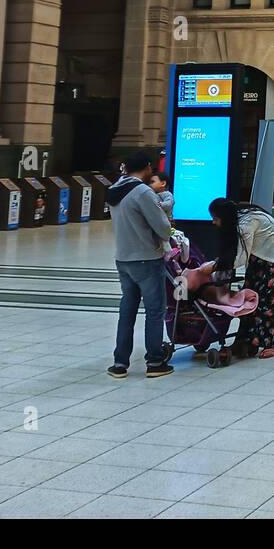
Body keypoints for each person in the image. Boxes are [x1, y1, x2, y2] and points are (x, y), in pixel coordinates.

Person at [106, 151, 174, 379]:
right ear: (146, 168)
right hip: (146, 258)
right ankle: (155, 362)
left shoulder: (114, 189)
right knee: (155, 312)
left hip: (123, 258)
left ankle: (119, 363)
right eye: (150, 169)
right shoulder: (142, 191)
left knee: (127, 311)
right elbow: (163, 228)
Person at [211, 198, 274, 359]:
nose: (213, 222)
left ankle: (269, 343)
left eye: (215, 218)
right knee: (250, 296)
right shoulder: (236, 219)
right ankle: (247, 340)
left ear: (224, 217)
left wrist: (213, 267)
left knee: (268, 299)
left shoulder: (246, 223)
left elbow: (240, 259)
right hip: (258, 255)